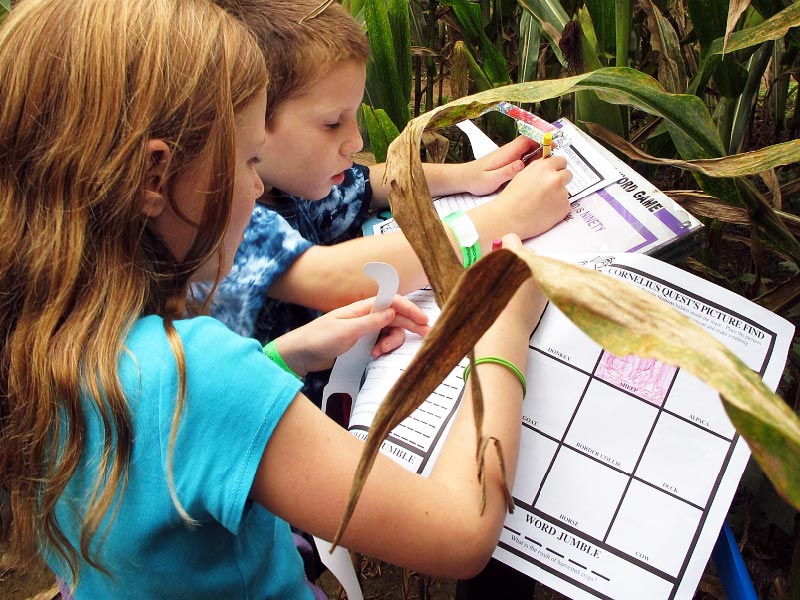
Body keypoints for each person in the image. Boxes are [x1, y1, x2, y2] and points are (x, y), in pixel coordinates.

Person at [1, 1, 554, 599]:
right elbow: (458, 533)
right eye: (244, 159)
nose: (258, 185)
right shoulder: (199, 378)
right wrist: (498, 324)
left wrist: (280, 358)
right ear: (154, 179)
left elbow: (163, 467)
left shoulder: (39, 328)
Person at [199, 0, 572, 407]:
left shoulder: (286, 183)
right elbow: (333, 279)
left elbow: (370, 183)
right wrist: (505, 217)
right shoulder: (224, 215)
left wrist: (467, 174)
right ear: (250, 119)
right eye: (331, 123)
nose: (356, 142)